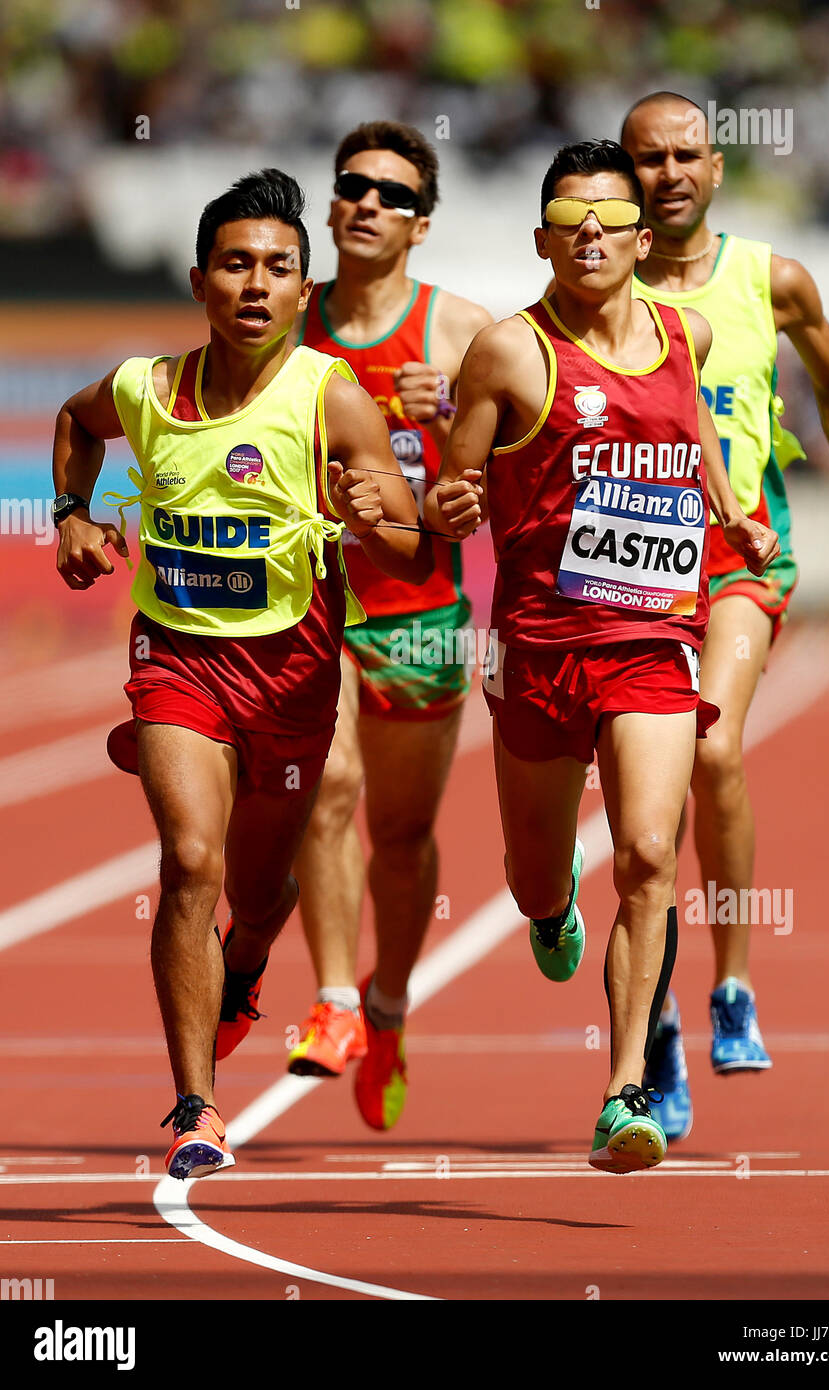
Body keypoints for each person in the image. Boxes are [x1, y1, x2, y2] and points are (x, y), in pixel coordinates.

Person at [51, 168, 429, 1179]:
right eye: (235, 265)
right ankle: (193, 1109)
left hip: (294, 677)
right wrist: (73, 517)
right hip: (176, 661)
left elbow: (408, 541)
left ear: (305, 292)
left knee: (259, 896)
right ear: (199, 280)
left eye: (278, 268)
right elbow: (75, 423)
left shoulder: (330, 399)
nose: (256, 284)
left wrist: (369, 522)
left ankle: (250, 962)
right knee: (190, 860)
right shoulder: (144, 389)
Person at [425, 139, 779, 1173]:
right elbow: (455, 492)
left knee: (650, 856)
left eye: (607, 218)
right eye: (567, 218)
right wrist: (451, 503)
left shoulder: (689, 334)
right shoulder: (506, 352)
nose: (588, 233)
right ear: (540, 238)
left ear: (640, 236)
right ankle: (544, 906)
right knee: (540, 876)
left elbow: (691, 442)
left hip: (652, 638)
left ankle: (623, 1088)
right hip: (539, 649)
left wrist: (731, 516)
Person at [620, 92, 829, 1139]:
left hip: (739, 562)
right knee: (646, 830)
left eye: (688, 154)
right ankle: (658, 1031)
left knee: (713, 747)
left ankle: (732, 983)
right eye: (648, 159)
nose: (670, 173)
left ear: (717, 169)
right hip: (631, 581)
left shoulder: (768, 278)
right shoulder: (597, 295)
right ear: (623, 173)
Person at [283, 121, 492, 1133]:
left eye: (391, 193)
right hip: (308, 608)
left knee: (399, 838)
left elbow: (510, 490)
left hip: (419, 615)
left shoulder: (458, 333)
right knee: (324, 791)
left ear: (420, 223)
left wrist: (448, 420)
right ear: (329, 206)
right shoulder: (280, 317)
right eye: (351, 185)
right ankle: (330, 1002)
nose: (366, 202)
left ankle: (389, 1004)